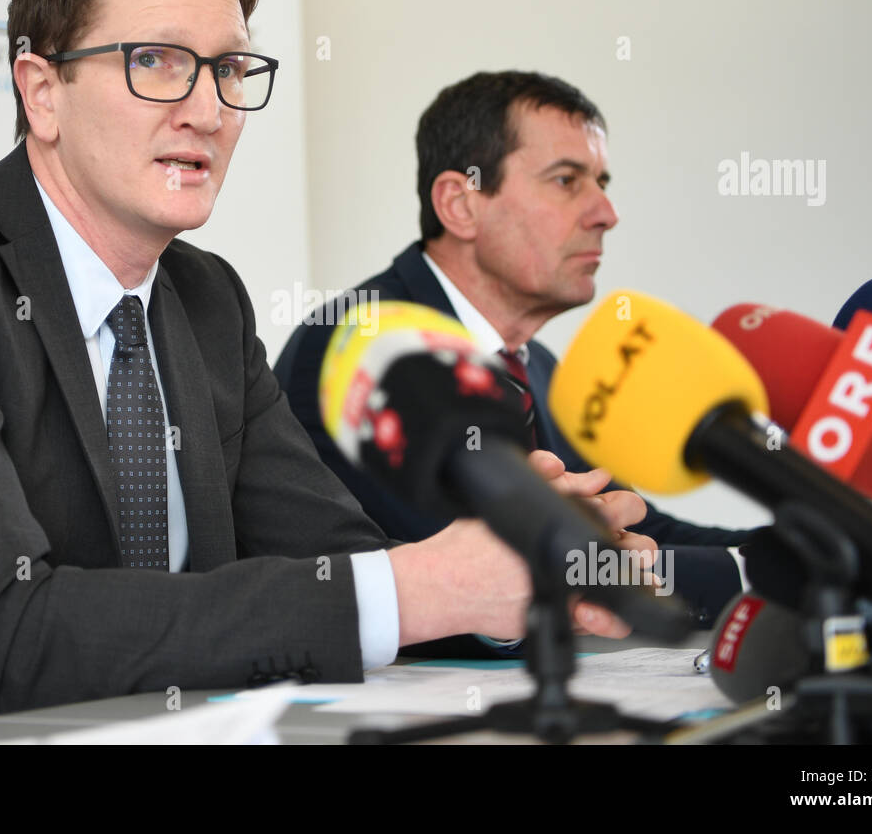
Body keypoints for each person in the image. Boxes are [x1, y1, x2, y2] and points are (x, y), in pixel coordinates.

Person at [0, 0, 631, 743]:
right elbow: (11, 638)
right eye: (154, 61)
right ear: (43, 92)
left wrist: (503, 571)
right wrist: (421, 587)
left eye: (230, 69)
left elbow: (336, 570)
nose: (208, 109)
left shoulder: (207, 300)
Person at [275, 71, 753, 629]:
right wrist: (734, 577)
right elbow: (478, 572)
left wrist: (802, 554)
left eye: (602, 181)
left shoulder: (542, 368)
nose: (606, 212)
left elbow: (639, 533)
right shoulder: (369, 347)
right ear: (460, 204)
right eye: (567, 180)